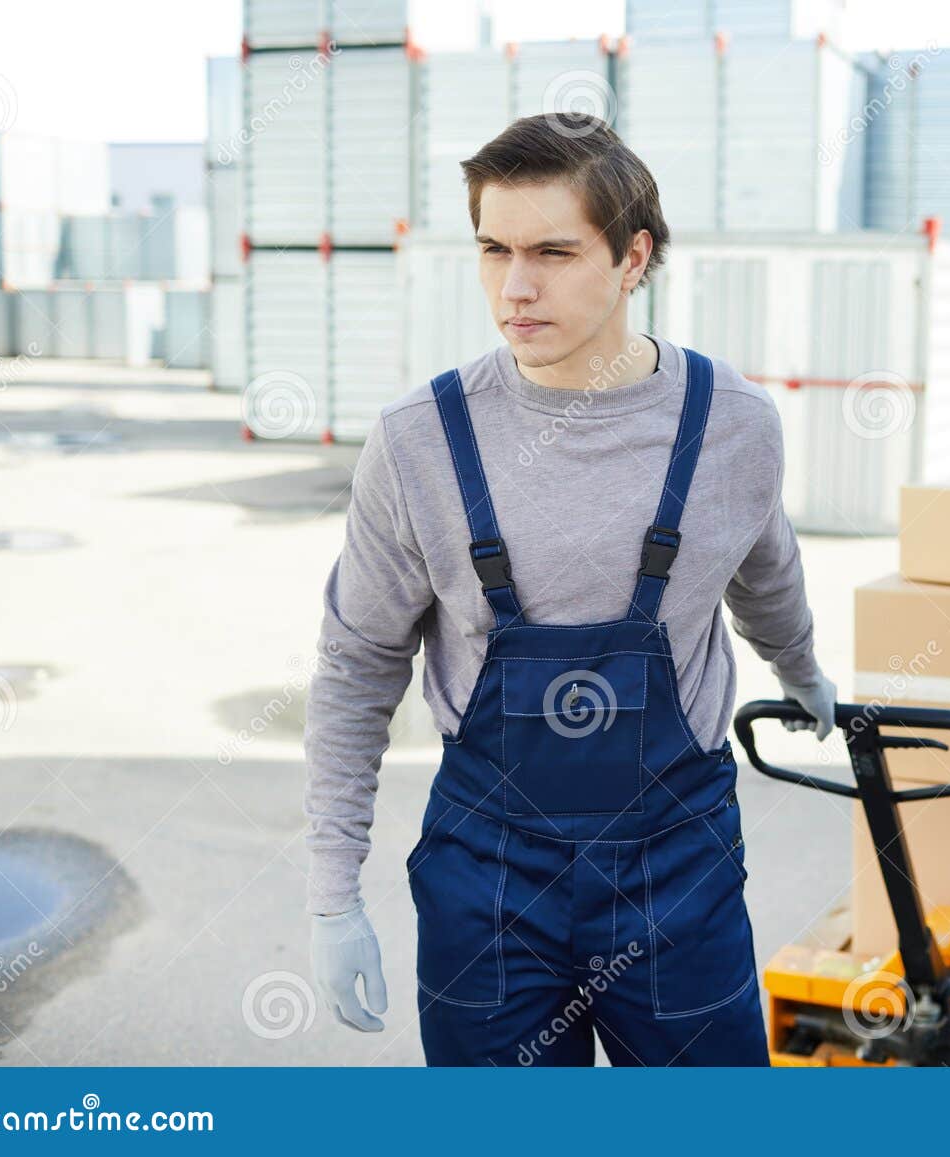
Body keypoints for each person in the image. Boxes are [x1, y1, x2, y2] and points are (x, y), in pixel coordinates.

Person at [302, 111, 837, 1066]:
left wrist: (801, 671)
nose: (515, 287)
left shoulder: (734, 425)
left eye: (553, 251)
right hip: (490, 877)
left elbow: (766, 570)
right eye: (494, 249)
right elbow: (358, 665)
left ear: (634, 259)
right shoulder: (419, 440)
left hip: (678, 869)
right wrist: (332, 892)